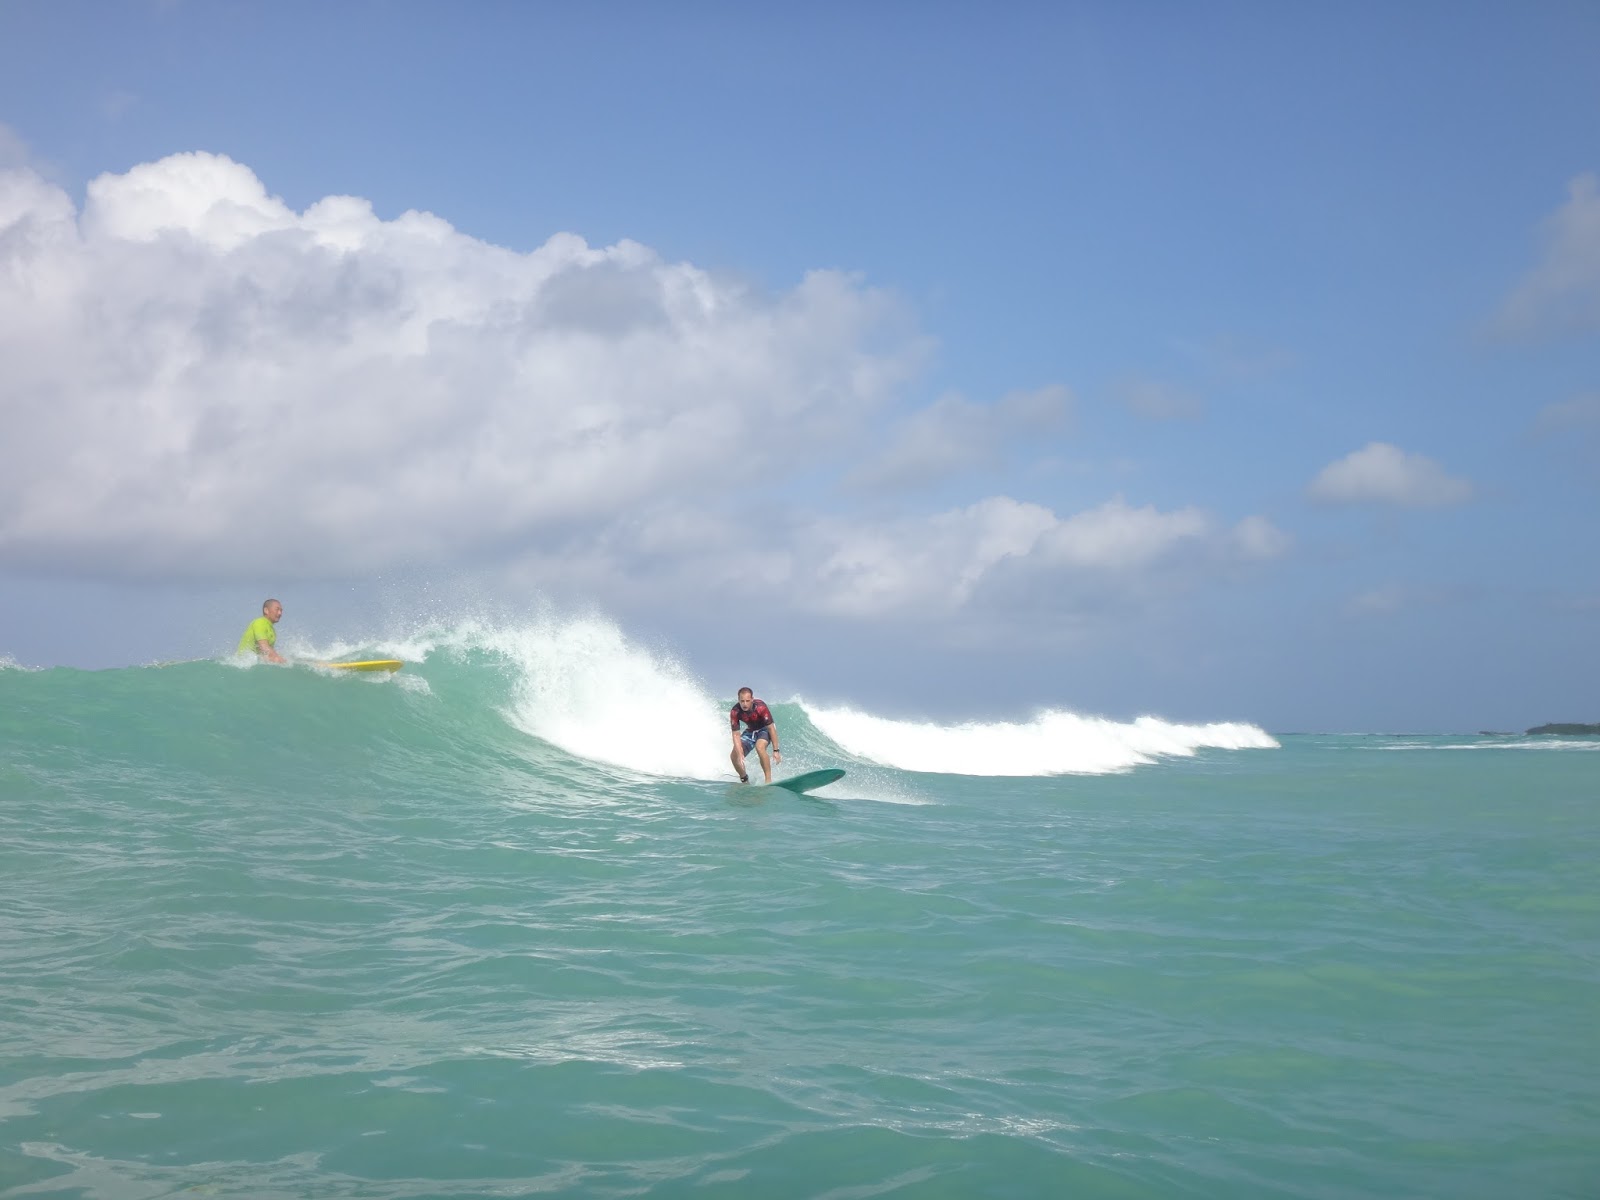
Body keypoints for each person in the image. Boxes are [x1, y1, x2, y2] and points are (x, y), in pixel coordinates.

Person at [729, 686, 781, 783]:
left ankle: (768, 780)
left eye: (747, 701)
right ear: (738, 700)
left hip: (765, 729)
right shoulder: (735, 711)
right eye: (742, 701)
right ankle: (744, 779)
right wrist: (739, 753)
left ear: (752, 699)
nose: (745, 704)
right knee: (734, 756)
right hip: (750, 731)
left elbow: (771, 728)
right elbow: (735, 735)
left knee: (760, 747)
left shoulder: (761, 707)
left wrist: (776, 750)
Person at [237, 598, 287, 663]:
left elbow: (266, 655)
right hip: (243, 663)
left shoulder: (272, 631)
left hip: (255, 664)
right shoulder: (259, 623)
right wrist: (286, 663)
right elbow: (265, 648)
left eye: (281, 610)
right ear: (266, 610)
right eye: (277, 609)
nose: (280, 613)